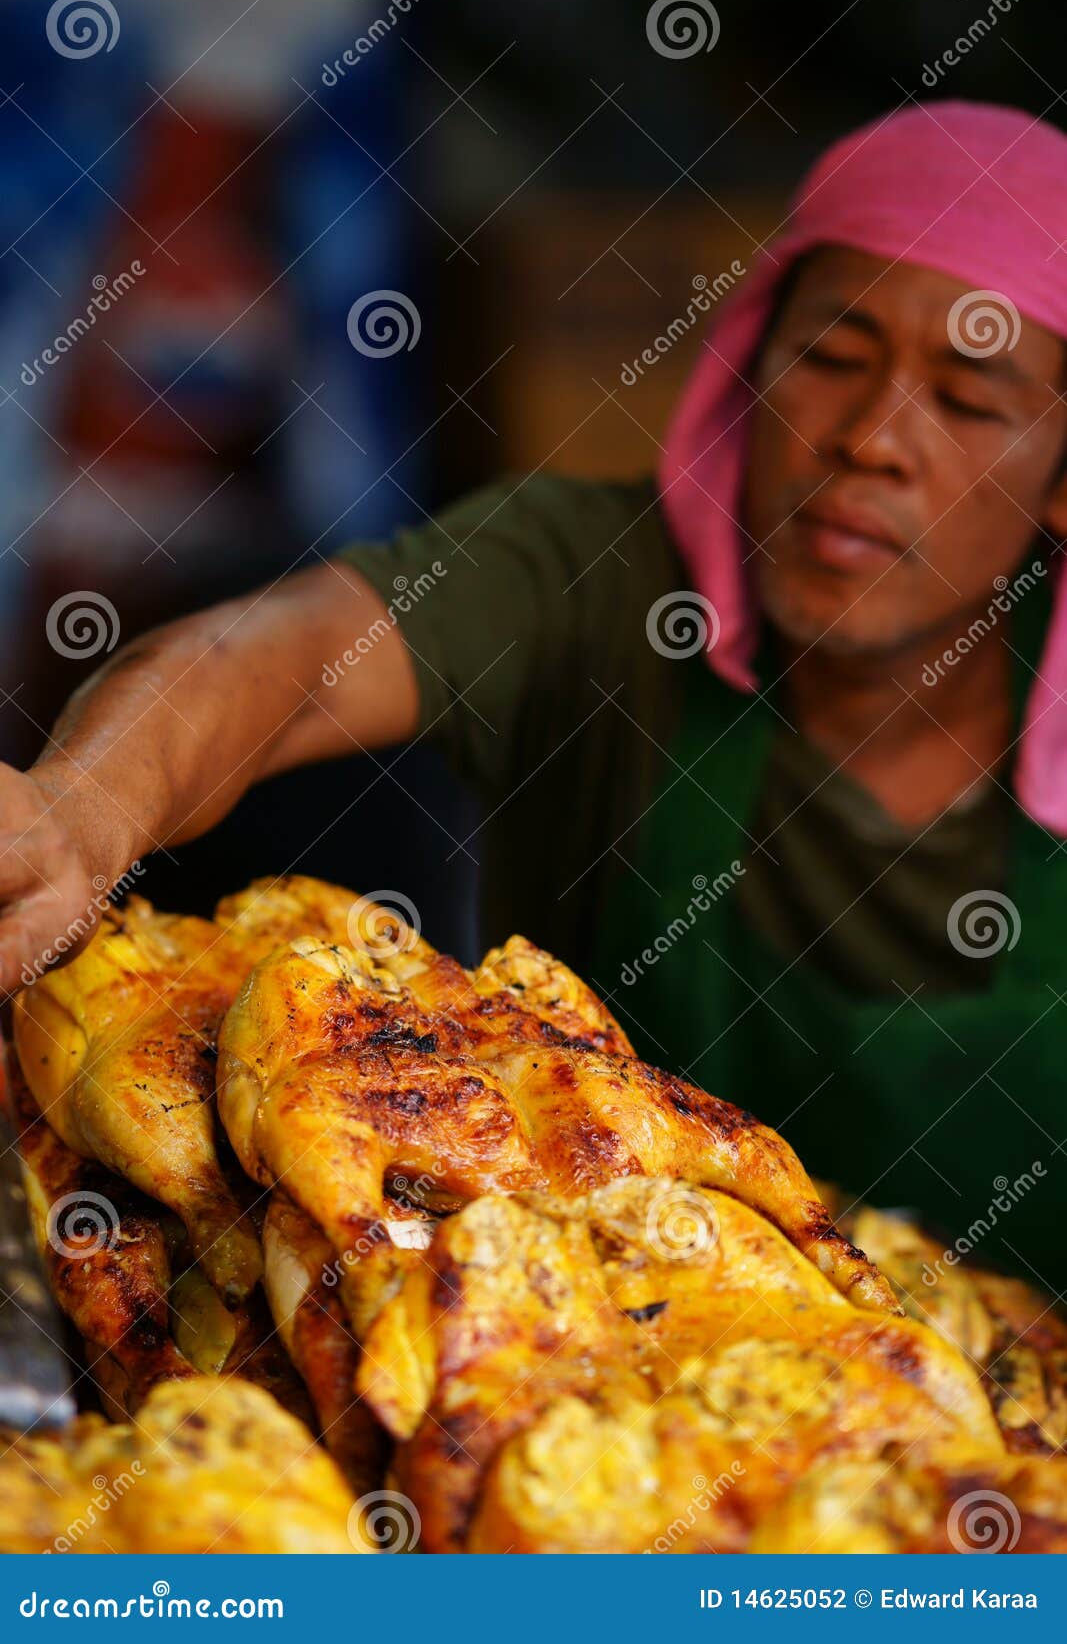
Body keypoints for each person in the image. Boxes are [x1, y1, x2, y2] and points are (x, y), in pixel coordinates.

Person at [2, 101, 1065, 1283]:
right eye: (828, 359)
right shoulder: (603, 585)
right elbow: (278, 654)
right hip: (562, 1365)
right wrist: (83, 813)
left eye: (967, 401)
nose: (871, 438)